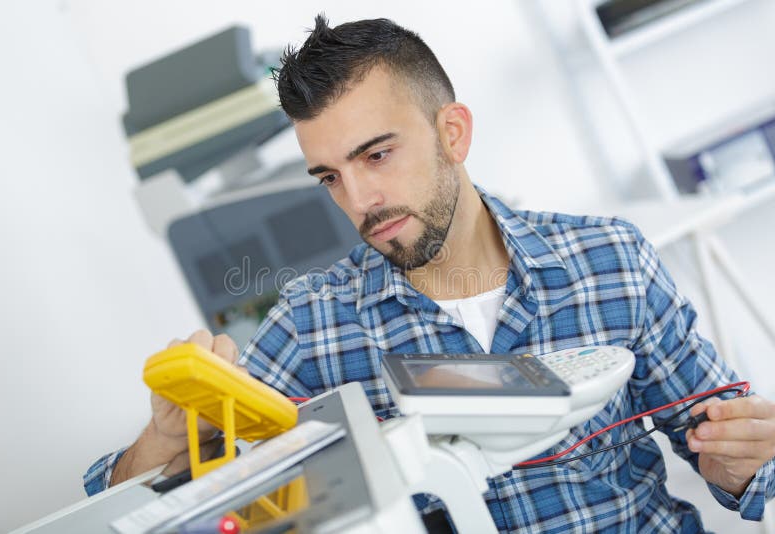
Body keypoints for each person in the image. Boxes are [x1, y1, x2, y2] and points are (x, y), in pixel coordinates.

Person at [84, 15, 775, 532]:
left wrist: (744, 466)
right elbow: (143, 509)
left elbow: (739, 456)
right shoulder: (313, 326)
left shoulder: (610, 262)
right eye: (330, 176)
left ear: (453, 134)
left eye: (377, 156)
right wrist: (161, 445)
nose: (358, 201)